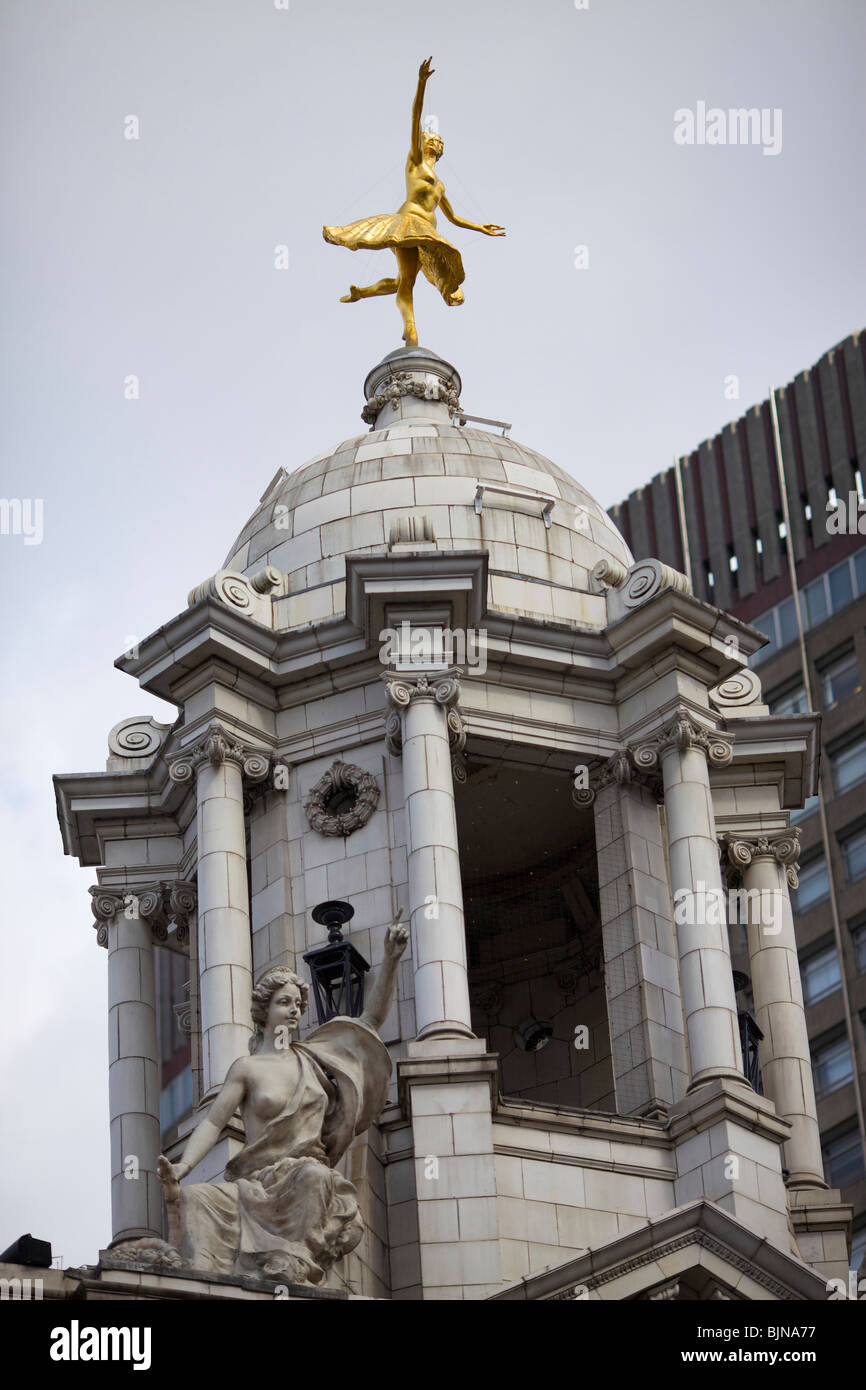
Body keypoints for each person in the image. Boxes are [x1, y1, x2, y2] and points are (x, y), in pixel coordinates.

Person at [157, 918, 409, 1285]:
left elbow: (370, 1020)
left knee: (314, 1176)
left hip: (303, 1176)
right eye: (283, 1002)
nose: (293, 1010)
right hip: (256, 1184)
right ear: (264, 1012)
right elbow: (213, 1122)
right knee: (195, 1199)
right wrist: (184, 1167)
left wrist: (390, 960)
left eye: (297, 1004)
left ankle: (292, 1261)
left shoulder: (315, 1059)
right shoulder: (247, 1068)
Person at [323, 57, 505, 346]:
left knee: (402, 280)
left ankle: (363, 292)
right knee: (407, 282)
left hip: (427, 234)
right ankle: (411, 330)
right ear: (423, 143)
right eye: (431, 137)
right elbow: (415, 116)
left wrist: (481, 227)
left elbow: (454, 218)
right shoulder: (415, 162)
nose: (436, 140)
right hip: (408, 225)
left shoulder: (441, 185)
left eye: (440, 139)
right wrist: (421, 83)